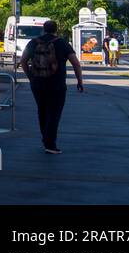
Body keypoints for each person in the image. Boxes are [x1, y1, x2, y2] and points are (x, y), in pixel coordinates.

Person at [18, 19, 84, 155]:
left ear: (43, 29)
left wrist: (30, 77)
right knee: (54, 113)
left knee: (42, 111)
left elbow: (23, 61)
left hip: (37, 83)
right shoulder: (62, 43)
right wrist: (79, 81)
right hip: (57, 84)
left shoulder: (33, 42)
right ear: (56, 29)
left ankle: (45, 140)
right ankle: (50, 144)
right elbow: (76, 64)